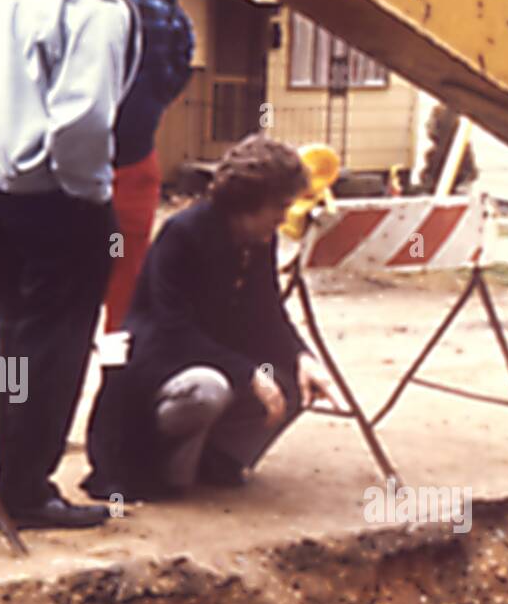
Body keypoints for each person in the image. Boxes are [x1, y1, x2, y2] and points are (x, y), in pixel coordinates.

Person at [0, 0, 168, 530]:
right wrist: (91, 199)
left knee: (15, 338)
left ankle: (13, 471)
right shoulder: (97, 2)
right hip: (57, 200)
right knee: (54, 349)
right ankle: (29, 489)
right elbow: (83, 120)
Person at [83, 134, 336, 501]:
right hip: (163, 362)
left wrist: (302, 356)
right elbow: (172, 330)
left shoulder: (259, 239)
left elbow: (268, 313)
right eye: (278, 206)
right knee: (208, 389)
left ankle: (219, 459)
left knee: (297, 382)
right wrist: (249, 373)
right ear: (249, 203)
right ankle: (163, 470)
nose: (283, 218)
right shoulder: (183, 233)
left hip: (217, 355)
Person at [104, 0, 194, 332]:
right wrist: (150, 106)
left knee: (32, 311)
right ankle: (114, 378)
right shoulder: (162, 2)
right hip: (133, 155)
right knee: (125, 281)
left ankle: (17, 389)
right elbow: (181, 61)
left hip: (47, 172)